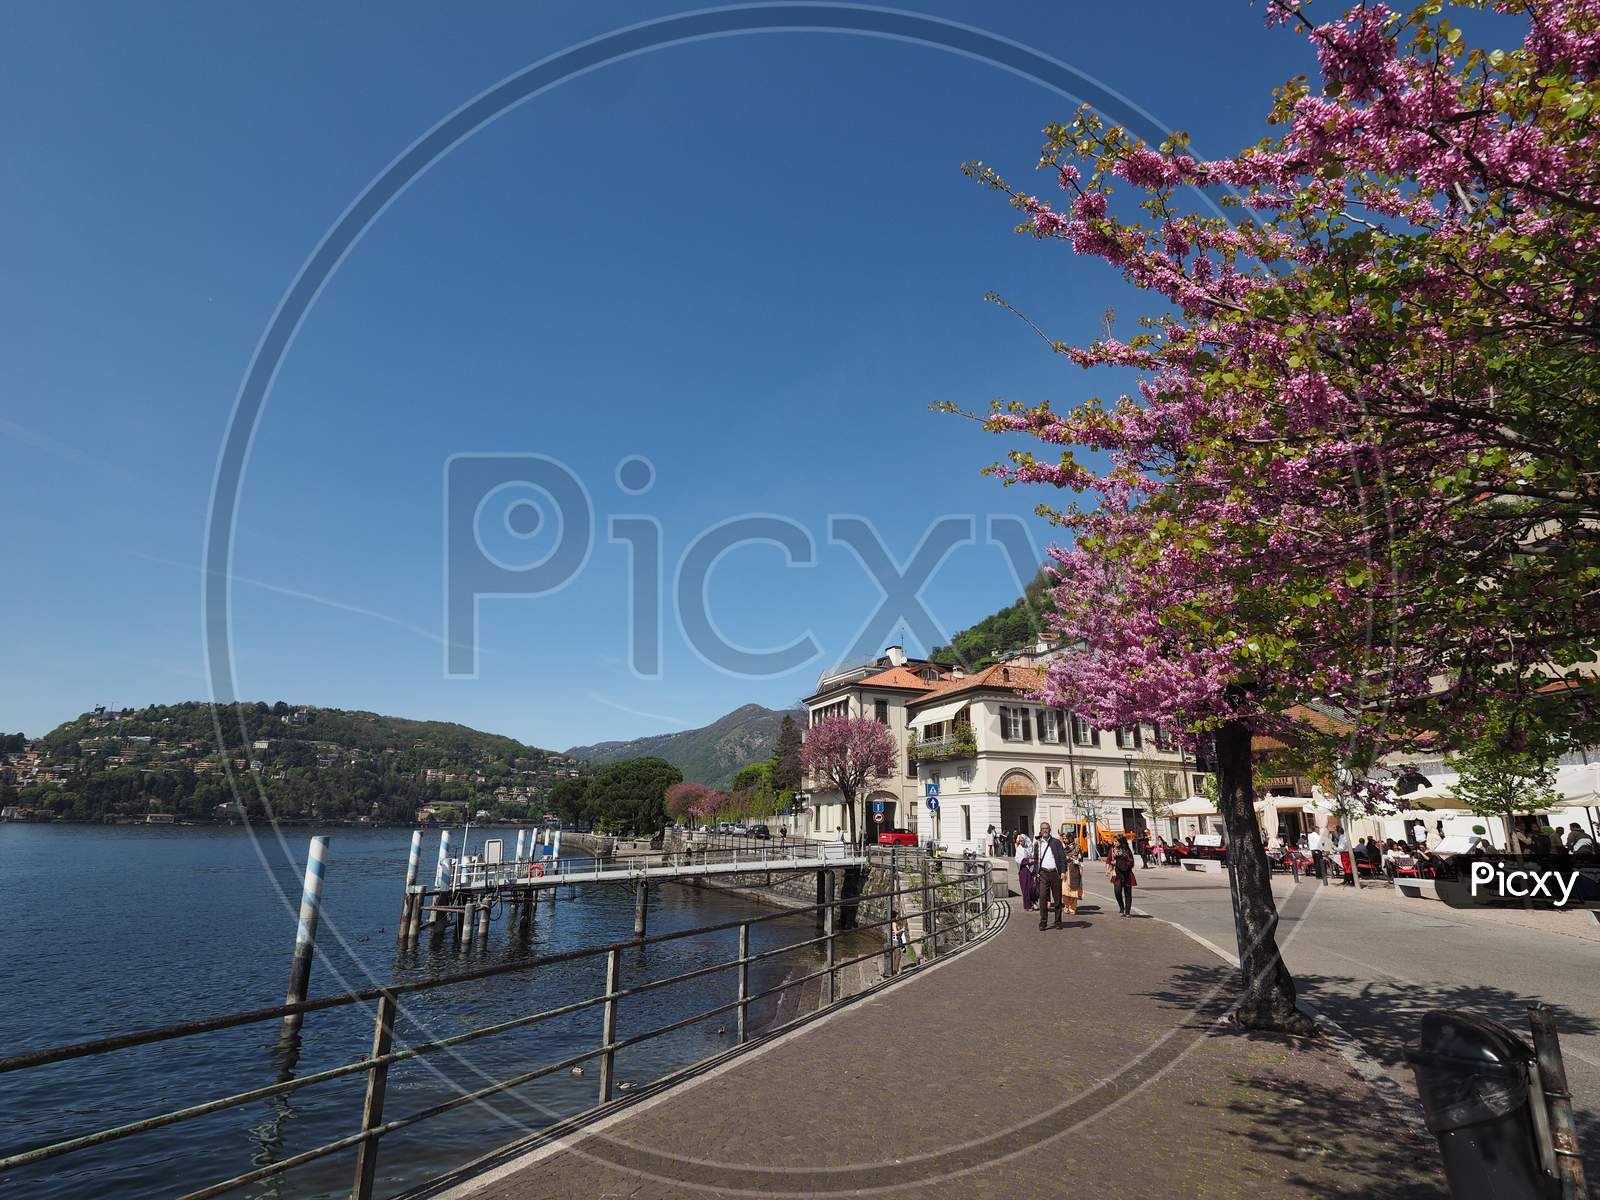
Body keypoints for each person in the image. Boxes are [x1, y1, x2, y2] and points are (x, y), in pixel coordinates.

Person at [1033, 821, 1069, 930]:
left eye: (1047, 828)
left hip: (1055, 873)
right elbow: (1036, 860)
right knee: (1043, 897)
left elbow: (1062, 858)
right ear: (1040, 830)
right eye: (1043, 828)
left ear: (1050, 830)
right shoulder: (1038, 844)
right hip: (1043, 873)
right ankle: (1043, 921)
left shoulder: (1056, 842)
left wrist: (1063, 871)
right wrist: (1036, 872)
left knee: (1057, 899)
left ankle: (1058, 921)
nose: (1045, 830)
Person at [1109, 834, 1138, 916]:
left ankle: (1127, 911)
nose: (1114, 843)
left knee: (1128, 893)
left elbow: (1131, 863)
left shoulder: (1126, 851)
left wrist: (1118, 862)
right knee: (1117, 891)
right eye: (1114, 841)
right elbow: (1109, 860)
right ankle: (1121, 908)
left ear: (1121, 842)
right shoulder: (1113, 850)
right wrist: (1109, 867)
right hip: (1117, 874)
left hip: (1127, 874)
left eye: (1116, 841)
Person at [1015, 833, 1036, 911]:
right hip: (1023, 870)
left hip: (1031, 870)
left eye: (1022, 841)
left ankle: (1033, 902)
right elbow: (1018, 859)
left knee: (1032, 887)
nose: (1020, 842)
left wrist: (1033, 860)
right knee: (1025, 888)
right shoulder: (1019, 849)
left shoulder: (1030, 847)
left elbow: (1033, 855)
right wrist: (1027, 861)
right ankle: (1027, 905)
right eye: (1020, 841)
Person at [1063, 845, 1084, 916]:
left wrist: (1077, 860)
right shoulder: (1064, 849)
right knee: (1065, 892)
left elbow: (1081, 861)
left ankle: (1072, 908)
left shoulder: (1077, 849)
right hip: (1066, 874)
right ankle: (1066, 906)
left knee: (1074, 892)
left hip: (1075, 874)